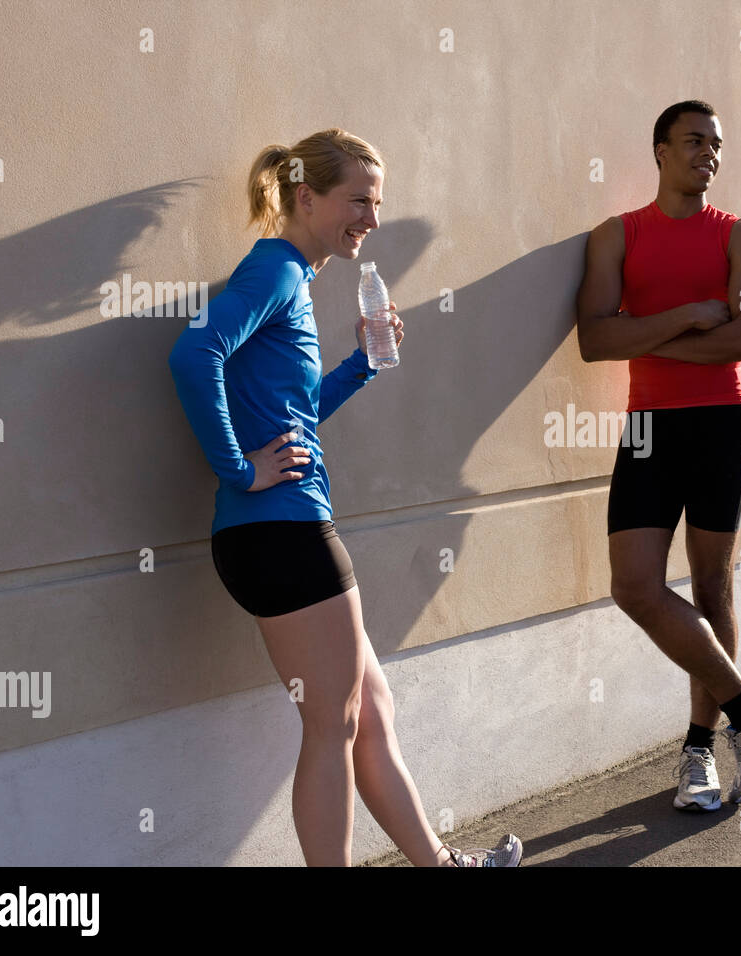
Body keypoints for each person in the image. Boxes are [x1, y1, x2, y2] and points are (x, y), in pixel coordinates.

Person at [168, 127, 521, 868]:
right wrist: (240, 468)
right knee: (332, 725)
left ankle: (439, 865)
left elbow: (291, 414)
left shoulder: (292, 278)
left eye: (378, 201)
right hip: (279, 530)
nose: (373, 217)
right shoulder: (273, 270)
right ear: (306, 196)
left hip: (283, 529)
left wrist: (361, 364)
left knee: (370, 713)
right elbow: (192, 353)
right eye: (359, 199)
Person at [576, 101, 741, 813]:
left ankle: (700, 754)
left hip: (720, 423)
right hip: (650, 428)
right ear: (661, 150)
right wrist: (683, 317)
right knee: (635, 586)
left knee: (712, 588)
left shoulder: (740, 238)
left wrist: (639, 334)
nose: (708, 153)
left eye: (717, 145)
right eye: (694, 141)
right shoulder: (617, 236)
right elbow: (593, 340)